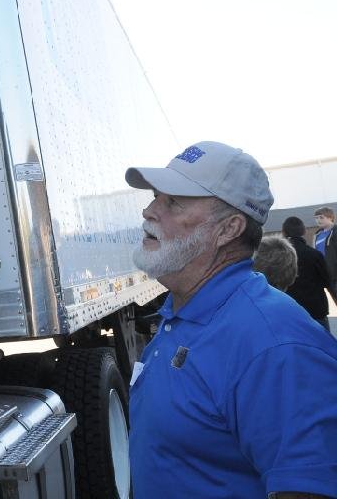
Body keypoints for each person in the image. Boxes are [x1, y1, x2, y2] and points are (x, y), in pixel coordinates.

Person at [124, 141, 337, 498]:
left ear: (229, 228)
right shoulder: (183, 314)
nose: (149, 210)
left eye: (173, 201)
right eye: (154, 196)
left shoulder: (275, 343)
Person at [281, 216, 335, 329]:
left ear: (284, 233)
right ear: (304, 231)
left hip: (290, 311)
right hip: (317, 310)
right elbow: (327, 281)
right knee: (324, 344)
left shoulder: (279, 256)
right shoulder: (315, 254)